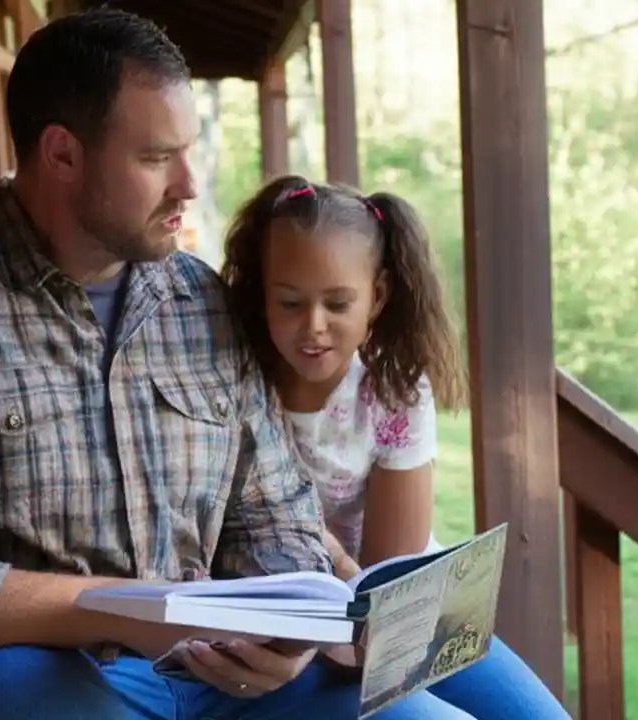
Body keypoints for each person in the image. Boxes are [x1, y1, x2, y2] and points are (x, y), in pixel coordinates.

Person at [0, 9, 477, 720]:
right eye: (157, 158)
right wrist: (100, 607)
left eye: (189, 151)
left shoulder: (201, 303)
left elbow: (276, 513)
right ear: (62, 154)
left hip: (218, 675)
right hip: (26, 671)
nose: (189, 183)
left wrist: (286, 635)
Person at [220, 176, 571, 718]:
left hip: (402, 609)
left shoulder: (393, 391)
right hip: (290, 619)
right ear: (262, 292)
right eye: (289, 302)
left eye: (338, 304)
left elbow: (390, 579)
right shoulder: (234, 382)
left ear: (377, 296)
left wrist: (356, 611)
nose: (313, 327)